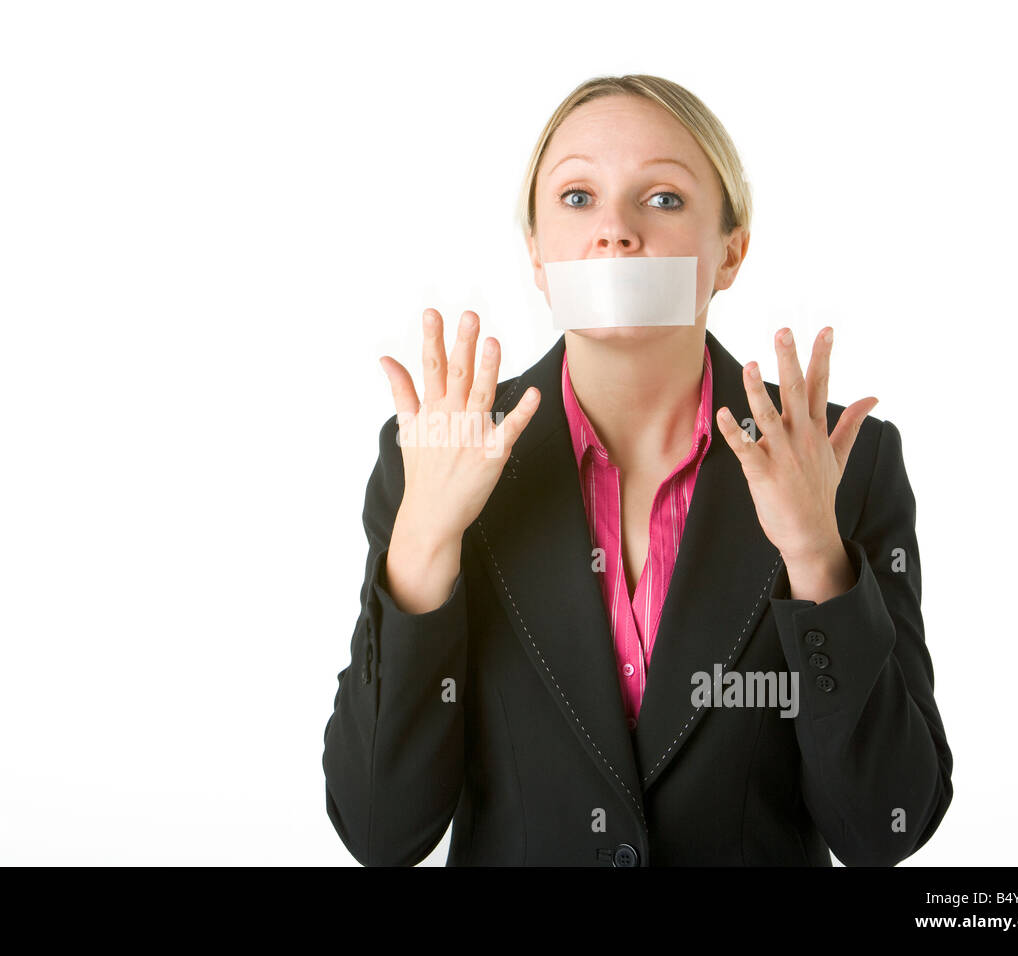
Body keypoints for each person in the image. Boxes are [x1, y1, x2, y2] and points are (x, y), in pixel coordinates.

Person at [322, 74, 953, 866]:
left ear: (730, 252)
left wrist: (817, 562)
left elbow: (886, 826)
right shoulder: (434, 453)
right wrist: (422, 544)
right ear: (538, 257)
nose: (615, 231)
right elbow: (380, 832)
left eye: (661, 199)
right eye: (579, 197)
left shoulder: (842, 463)